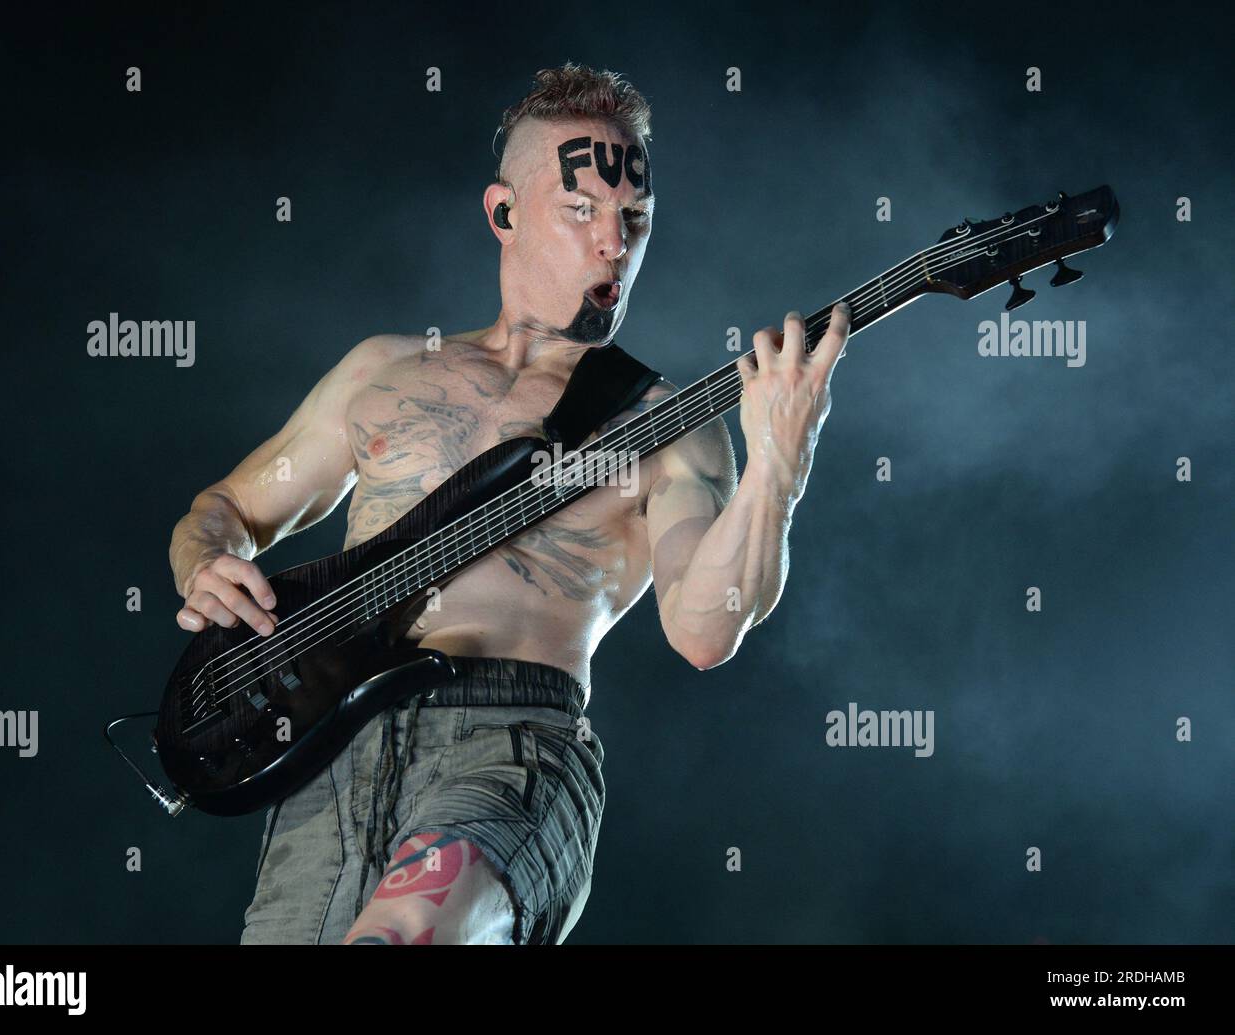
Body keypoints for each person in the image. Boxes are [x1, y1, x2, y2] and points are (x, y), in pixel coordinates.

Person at [168, 61, 849, 945]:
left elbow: (704, 629)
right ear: (504, 213)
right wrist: (204, 562)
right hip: (329, 757)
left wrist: (780, 466)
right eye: (583, 212)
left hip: (513, 744)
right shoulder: (384, 371)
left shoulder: (667, 421)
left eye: (633, 219)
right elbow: (225, 506)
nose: (615, 244)